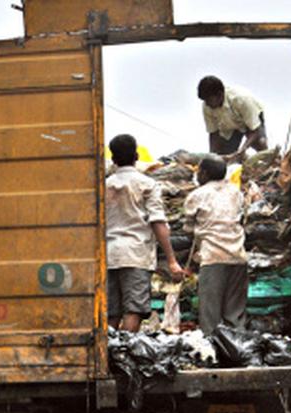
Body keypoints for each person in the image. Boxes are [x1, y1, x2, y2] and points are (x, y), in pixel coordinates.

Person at [106, 134, 185, 332]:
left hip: (107, 255)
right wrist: (172, 260)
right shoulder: (147, 184)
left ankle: (107, 355)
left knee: (110, 312)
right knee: (134, 309)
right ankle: (123, 353)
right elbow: (158, 222)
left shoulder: (103, 185)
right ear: (137, 156)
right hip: (136, 254)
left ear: (113, 159)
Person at [184, 155, 249, 335]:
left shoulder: (196, 195)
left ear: (204, 173)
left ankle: (215, 358)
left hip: (213, 259)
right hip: (238, 257)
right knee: (235, 316)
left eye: (198, 171)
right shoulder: (235, 193)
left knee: (210, 319)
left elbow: (188, 228)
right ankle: (239, 354)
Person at [197, 75, 268, 162]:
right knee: (224, 156)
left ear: (220, 95)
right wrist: (212, 155)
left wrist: (242, 149)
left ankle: (268, 163)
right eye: (205, 101)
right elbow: (213, 133)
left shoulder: (241, 100)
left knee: (261, 143)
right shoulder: (207, 107)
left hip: (250, 120)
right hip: (230, 126)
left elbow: (255, 130)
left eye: (209, 100)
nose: (207, 104)